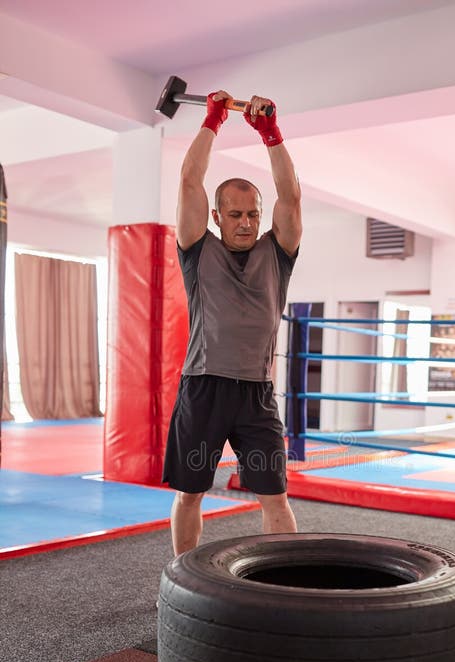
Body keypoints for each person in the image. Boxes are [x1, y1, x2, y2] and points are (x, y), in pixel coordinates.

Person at [162, 90, 302, 556]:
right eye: (236, 214)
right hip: (203, 387)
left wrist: (271, 135)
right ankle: (182, 578)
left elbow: (292, 195)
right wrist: (213, 122)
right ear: (217, 216)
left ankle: (287, 586)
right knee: (190, 492)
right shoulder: (198, 249)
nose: (246, 222)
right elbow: (188, 181)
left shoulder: (276, 253)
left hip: (256, 394)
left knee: (275, 497)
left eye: (253, 214)